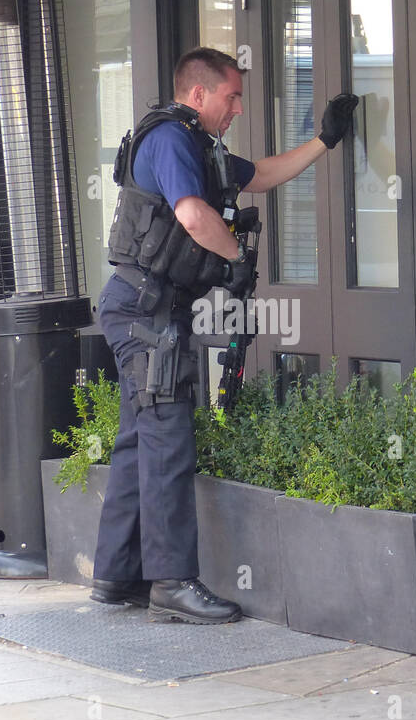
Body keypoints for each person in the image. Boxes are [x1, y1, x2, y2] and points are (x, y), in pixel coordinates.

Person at [92, 47, 358, 623]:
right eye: (231, 96)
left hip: (149, 309)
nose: (238, 107)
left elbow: (259, 174)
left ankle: (115, 575)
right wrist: (236, 257)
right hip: (146, 312)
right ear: (198, 94)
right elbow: (190, 214)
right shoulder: (169, 139)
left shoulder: (198, 146)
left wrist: (324, 142)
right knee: (167, 440)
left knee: (139, 438)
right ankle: (172, 583)